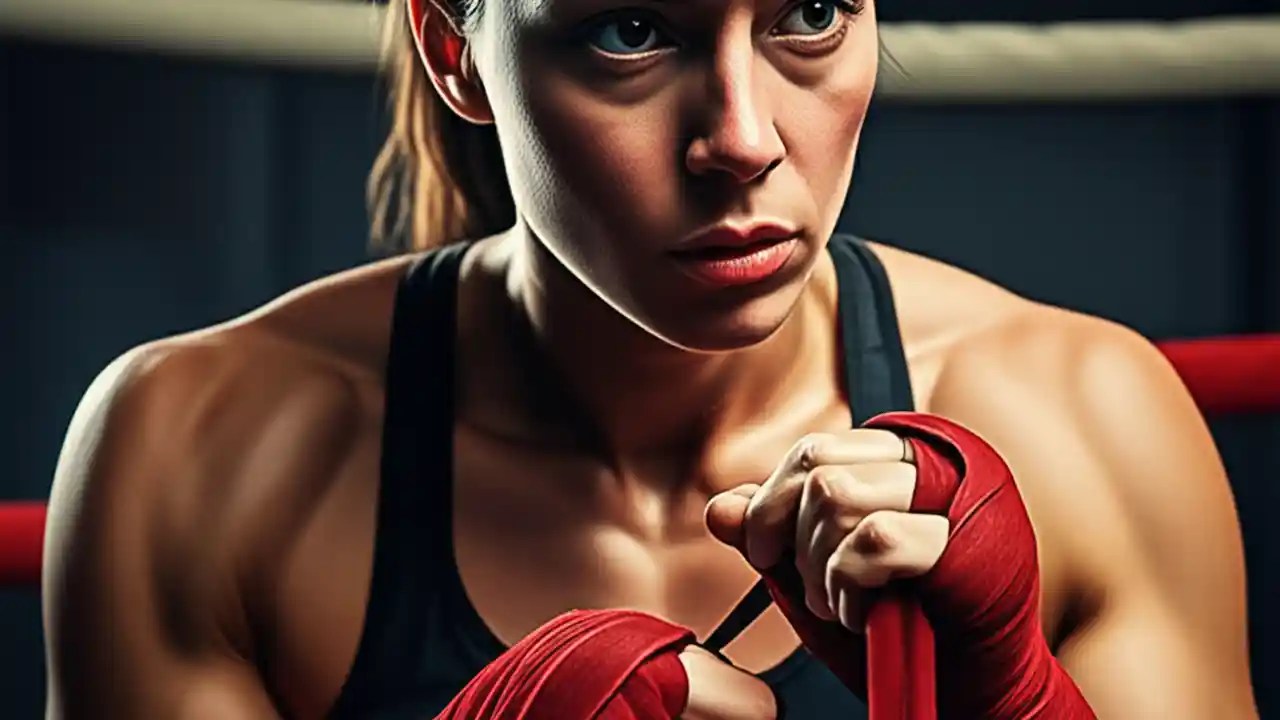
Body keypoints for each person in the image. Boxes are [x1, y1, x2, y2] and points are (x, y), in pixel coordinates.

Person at [41, 0, 1258, 716]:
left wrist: (1014, 700)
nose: (739, 138)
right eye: (627, 30)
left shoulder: (1086, 423)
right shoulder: (199, 455)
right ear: (455, 51)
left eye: (809, 10)